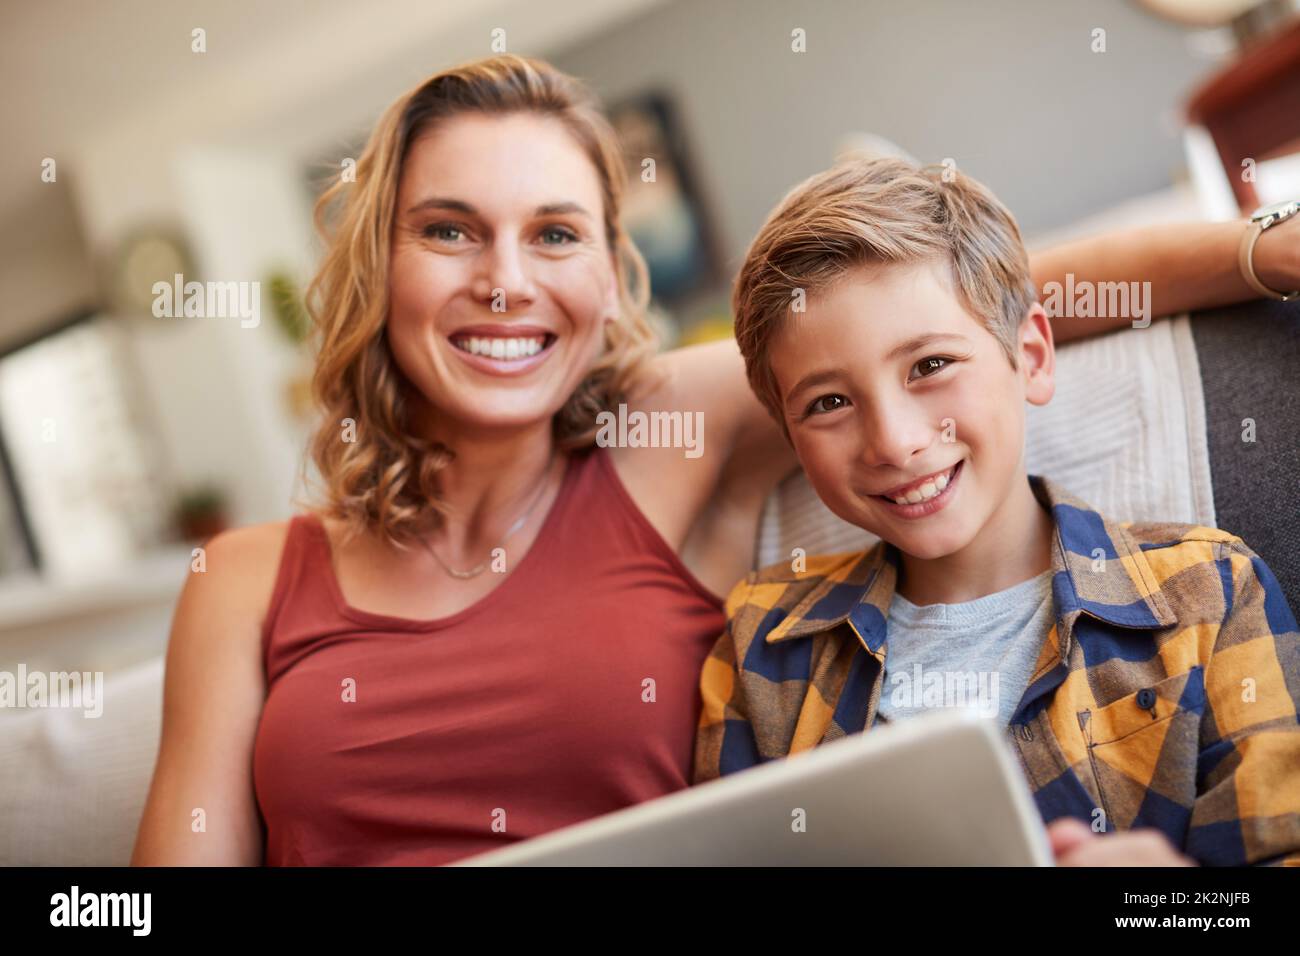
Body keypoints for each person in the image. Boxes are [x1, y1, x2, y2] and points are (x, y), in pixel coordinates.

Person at [132, 54, 1300, 866]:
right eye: (448, 229)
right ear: (379, 265)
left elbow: (963, 299)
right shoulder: (243, 576)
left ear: (607, 272)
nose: (504, 277)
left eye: (553, 232)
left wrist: (1267, 249)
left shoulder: (666, 433)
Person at [695, 156, 1300, 866]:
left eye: (929, 366)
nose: (896, 441)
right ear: (791, 437)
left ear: (1033, 356)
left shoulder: (1209, 591)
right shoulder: (764, 640)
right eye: (829, 403)